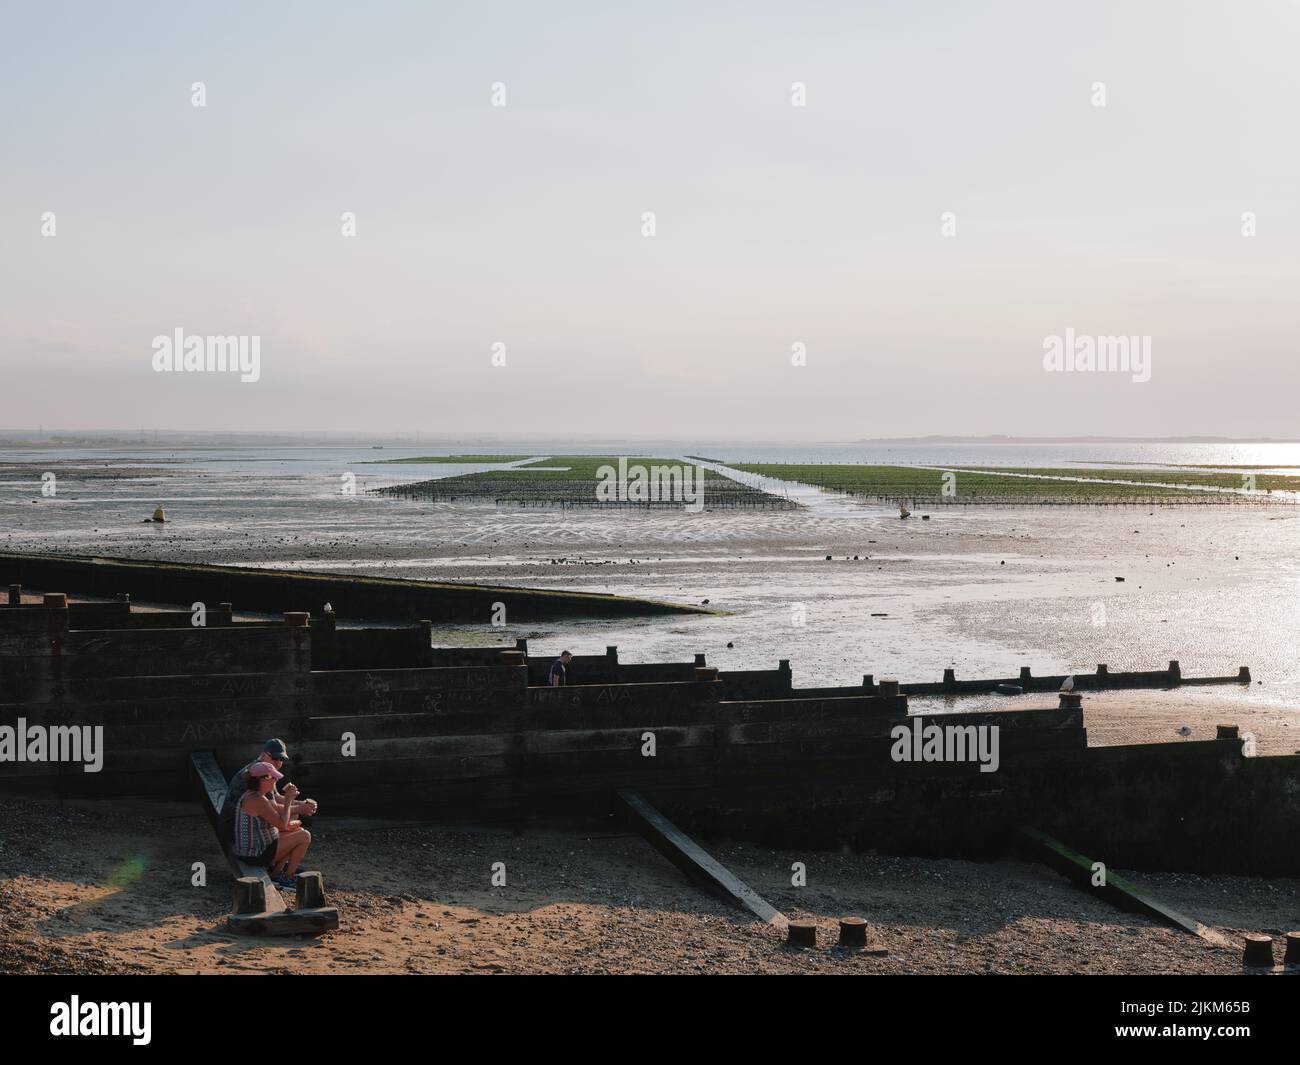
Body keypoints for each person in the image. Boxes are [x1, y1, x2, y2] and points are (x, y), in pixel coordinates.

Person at [217, 739, 317, 848]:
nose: (278, 762)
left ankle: (278, 854)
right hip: (236, 831)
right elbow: (273, 806)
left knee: (292, 816)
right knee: (293, 820)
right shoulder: (261, 774)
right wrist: (300, 808)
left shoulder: (264, 768)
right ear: (263, 755)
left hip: (237, 825)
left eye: (281, 759)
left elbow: (275, 797)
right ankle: (275, 854)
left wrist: (302, 803)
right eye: (275, 758)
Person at [234, 762, 312, 889]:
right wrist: (288, 800)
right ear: (263, 780)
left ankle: (277, 873)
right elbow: (281, 824)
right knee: (304, 836)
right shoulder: (257, 800)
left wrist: (292, 825)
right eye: (274, 778)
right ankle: (287, 877)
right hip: (255, 854)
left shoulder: (253, 795)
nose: (276, 781)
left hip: (254, 848)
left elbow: (279, 823)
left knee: (296, 831)